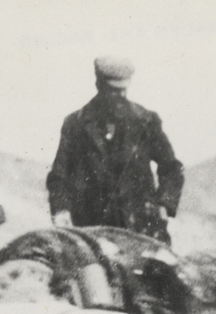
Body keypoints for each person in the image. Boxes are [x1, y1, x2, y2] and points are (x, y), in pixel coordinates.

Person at [47, 56, 184, 241]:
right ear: (99, 85)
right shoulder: (75, 124)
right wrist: (61, 210)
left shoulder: (146, 121)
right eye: (113, 90)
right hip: (91, 230)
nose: (121, 95)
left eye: (124, 89)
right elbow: (59, 176)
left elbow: (172, 169)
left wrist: (164, 204)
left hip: (142, 229)